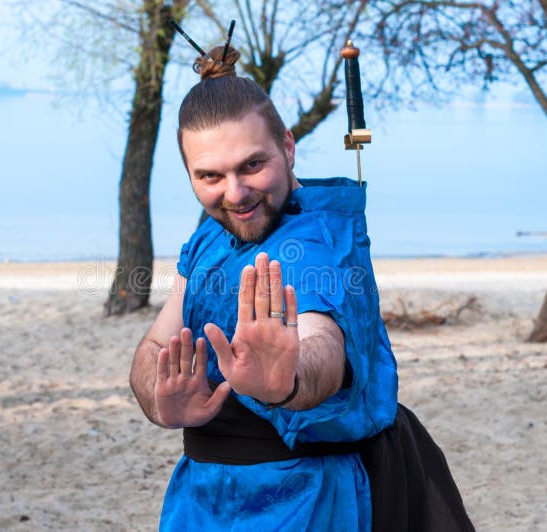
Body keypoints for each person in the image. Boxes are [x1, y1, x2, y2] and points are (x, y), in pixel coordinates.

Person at [130, 44, 473, 531]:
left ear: (288, 147)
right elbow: (156, 343)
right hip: (202, 494)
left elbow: (323, 344)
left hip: (306, 497)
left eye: (252, 165)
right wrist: (159, 399)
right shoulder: (211, 231)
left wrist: (287, 381)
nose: (235, 193)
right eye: (210, 175)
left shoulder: (317, 242)